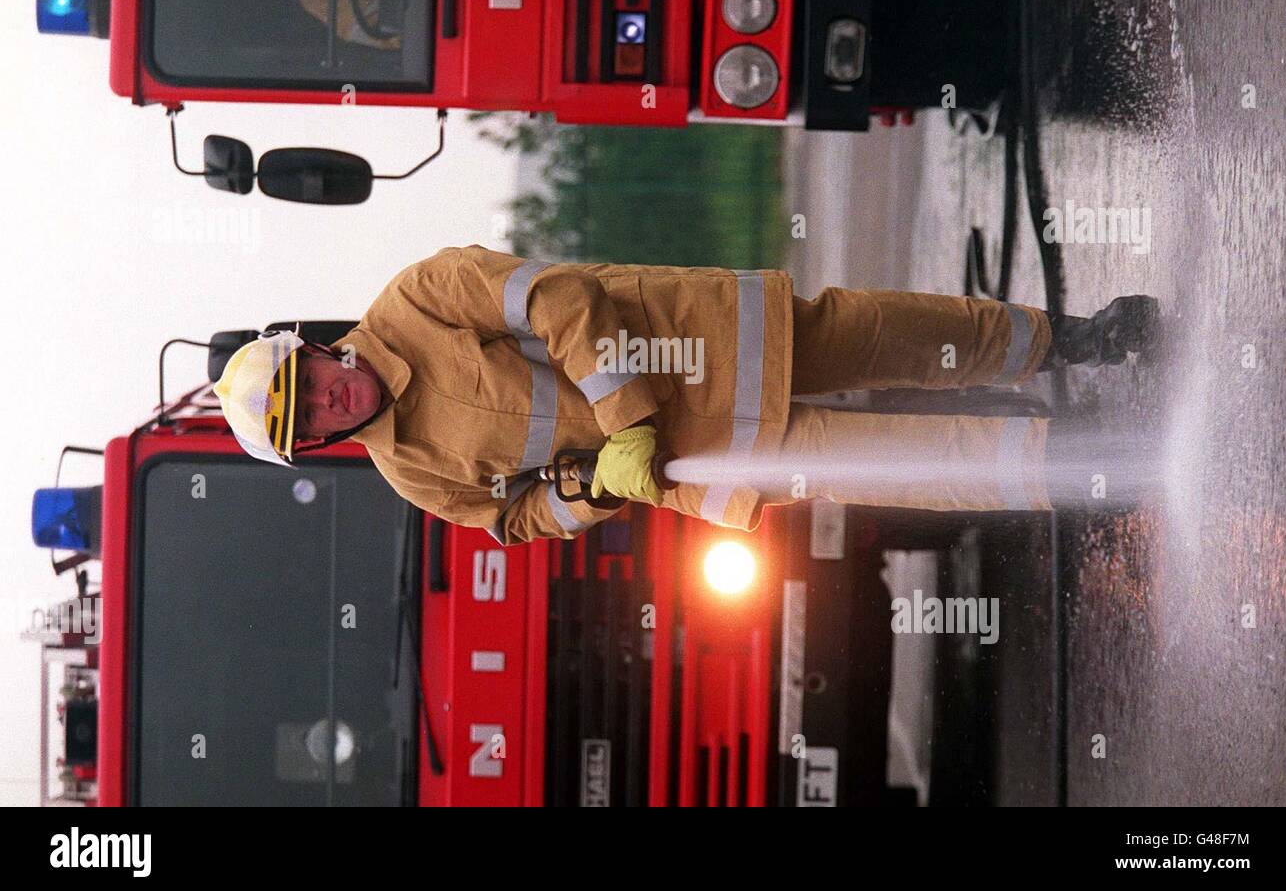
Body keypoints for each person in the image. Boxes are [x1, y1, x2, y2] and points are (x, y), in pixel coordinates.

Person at [213, 245, 1157, 545]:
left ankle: (1075, 340)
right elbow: (515, 522)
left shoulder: (415, 300)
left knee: (898, 336)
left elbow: (555, 296)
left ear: (315, 348)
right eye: (313, 420)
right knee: (904, 467)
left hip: (713, 347)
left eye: (314, 381)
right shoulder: (409, 472)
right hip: (694, 463)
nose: (332, 400)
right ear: (320, 446)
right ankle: (1086, 466)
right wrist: (588, 493)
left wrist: (623, 421)